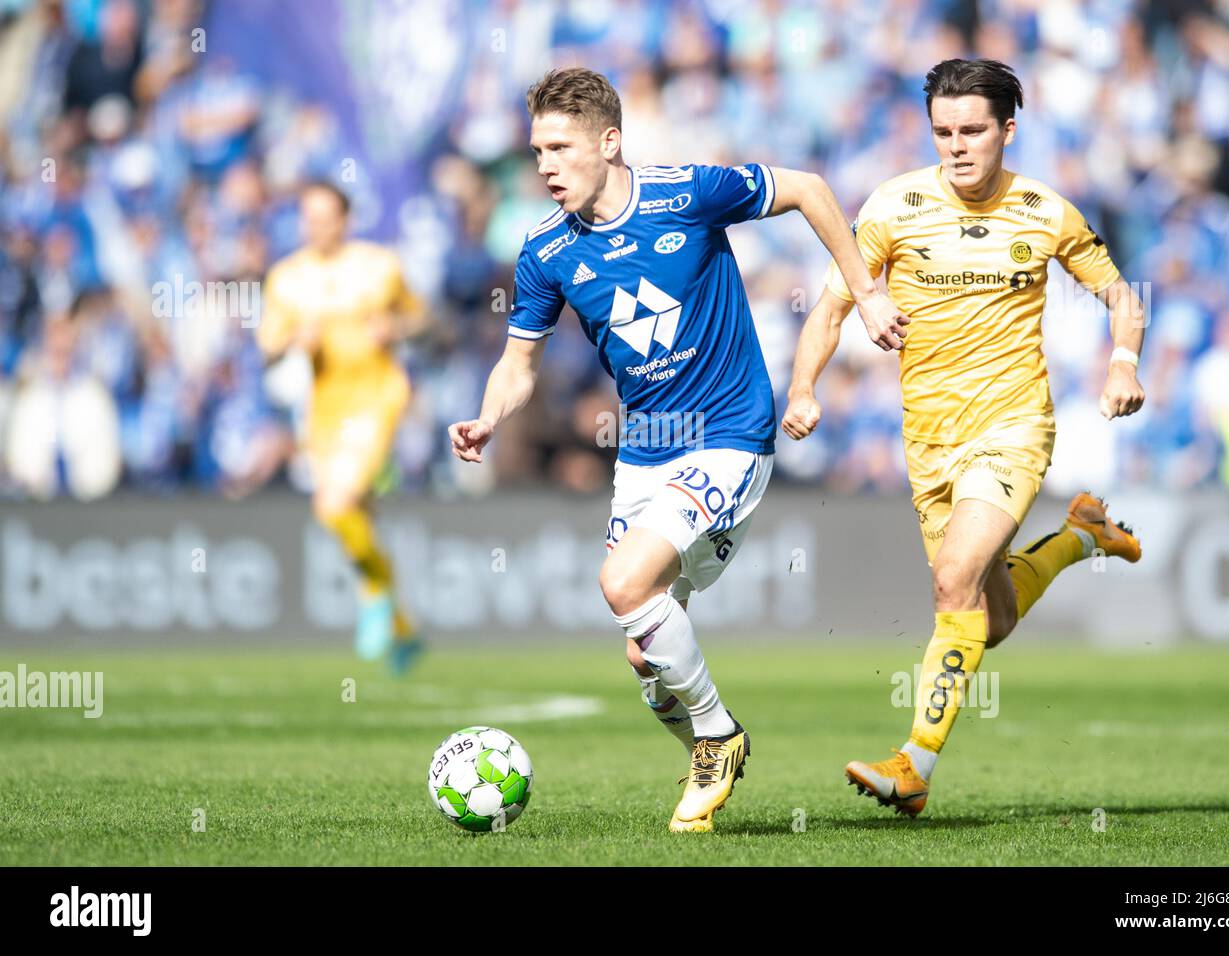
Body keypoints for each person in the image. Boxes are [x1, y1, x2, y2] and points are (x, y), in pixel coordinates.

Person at [448, 67, 878, 833]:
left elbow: (810, 187)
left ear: (609, 142)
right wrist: (487, 419)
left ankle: (718, 734)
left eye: (560, 147)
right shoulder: (546, 250)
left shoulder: (687, 192)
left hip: (729, 432)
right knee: (647, 663)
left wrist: (865, 291)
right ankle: (710, 749)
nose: (544, 165)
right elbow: (520, 362)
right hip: (644, 454)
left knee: (621, 583)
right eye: (536, 149)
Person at [783, 59, 1147, 817]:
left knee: (953, 581)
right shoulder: (893, 207)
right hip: (929, 442)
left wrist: (1122, 362)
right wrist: (804, 388)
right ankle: (1081, 536)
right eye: (943, 132)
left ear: (1008, 130)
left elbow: (1122, 297)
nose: (956, 146)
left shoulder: (1047, 212)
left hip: (1013, 428)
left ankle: (914, 764)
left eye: (973, 130)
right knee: (992, 618)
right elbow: (829, 310)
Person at [257, 181, 428, 672]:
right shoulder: (287, 278)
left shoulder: (378, 265)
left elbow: (422, 319)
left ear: (345, 218)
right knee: (357, 516)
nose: (317, 225)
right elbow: (267, 348)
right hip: (325, 406)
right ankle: (402, 628)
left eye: (326, 215)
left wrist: (395, 328)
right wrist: (293, 338)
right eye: (308, 216)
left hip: (377, 396)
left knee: (333, 505)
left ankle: (376, 599)